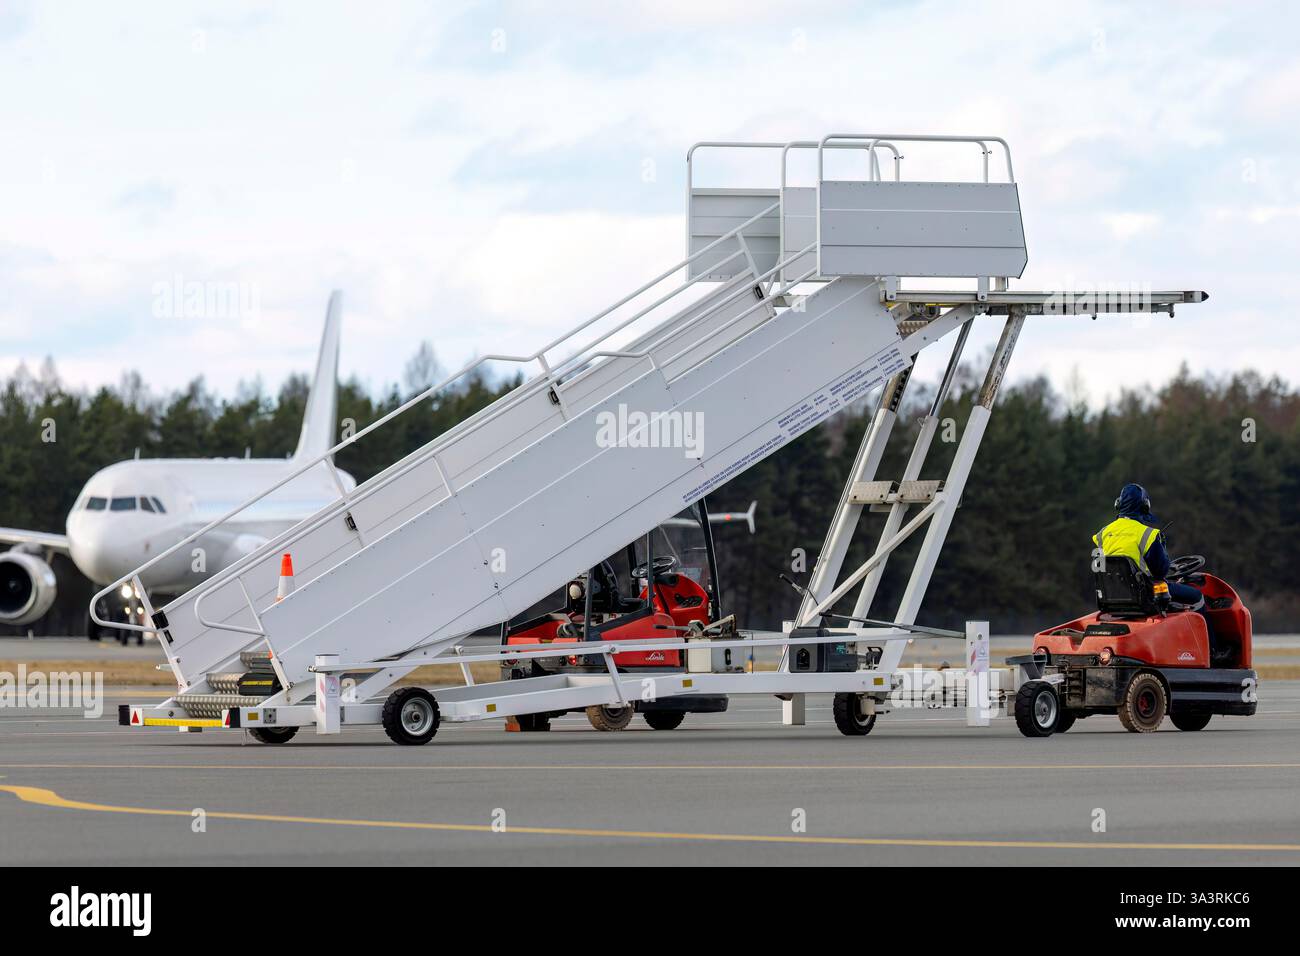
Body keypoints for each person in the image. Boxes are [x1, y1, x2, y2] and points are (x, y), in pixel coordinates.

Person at [1093, 483, 1219, 656]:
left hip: (1111, 600)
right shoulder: (1147, 534)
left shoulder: (1102, 534)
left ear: (1118, 504)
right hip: (1145, 596)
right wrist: (1162, 549)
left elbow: (1100, 566)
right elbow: (1161, 572)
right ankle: (1211, 651)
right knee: (1197, 597)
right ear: (1145, 506)